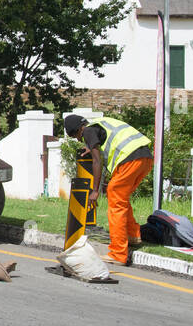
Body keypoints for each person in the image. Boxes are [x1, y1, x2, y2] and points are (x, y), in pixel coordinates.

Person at [63, 114, 153, 266]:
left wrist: (95, 191)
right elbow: (105, 141)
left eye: (75, 136)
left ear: (78, 130)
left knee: (114, 195)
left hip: (129, 158)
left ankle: (118, 253)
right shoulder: (100, 125)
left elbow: (97, 161)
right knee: (121, 197)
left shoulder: (88, 132)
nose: (79, 140)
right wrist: (91, 147)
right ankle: (132, 235)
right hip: (145, 157)